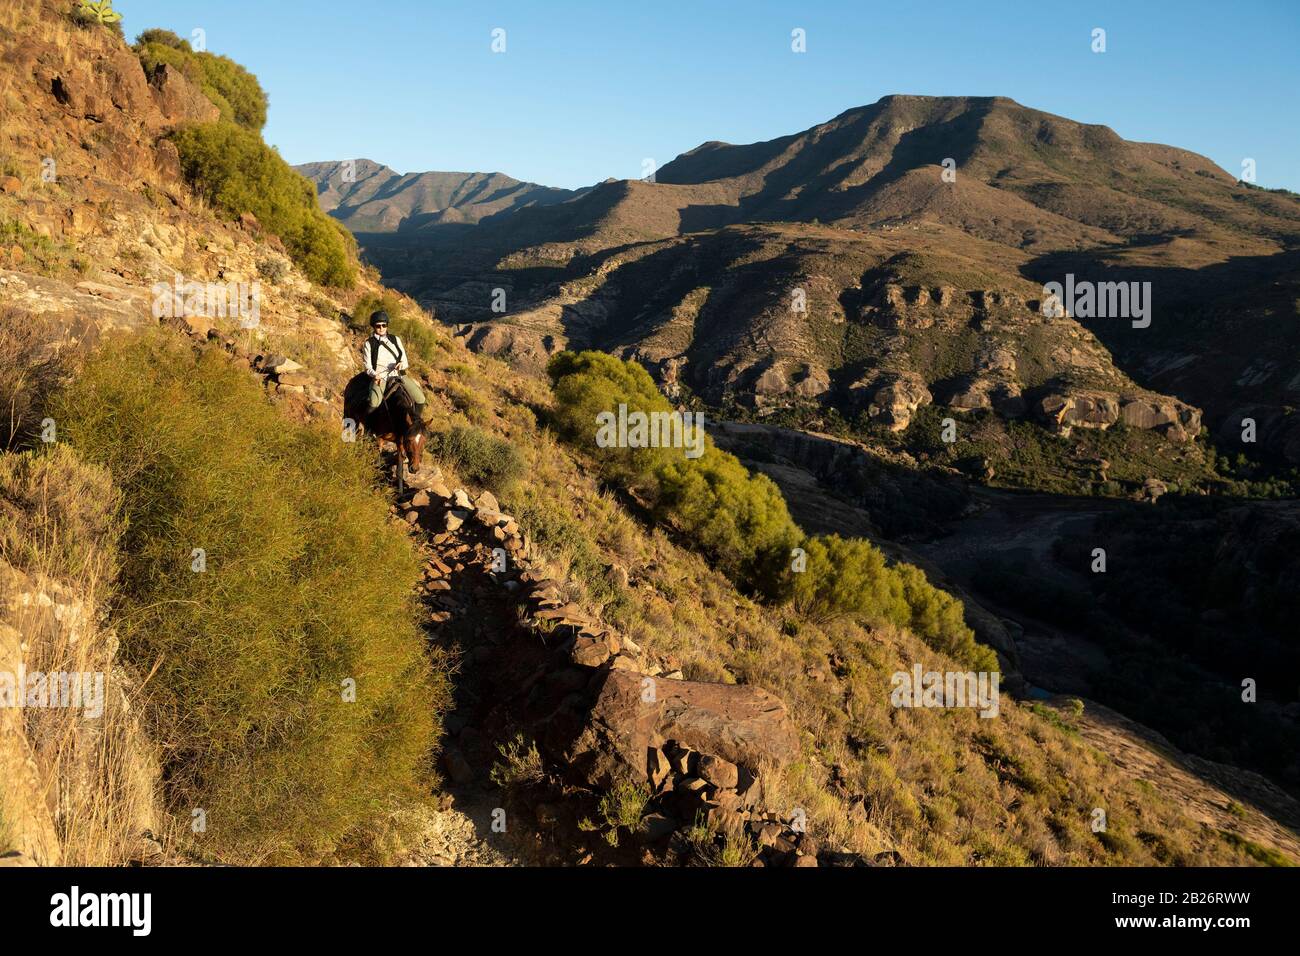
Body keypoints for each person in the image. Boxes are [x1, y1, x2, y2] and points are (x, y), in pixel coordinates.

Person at [362, 311, 426, 415]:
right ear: (373, 326)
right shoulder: (369, 343)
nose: (381, 328)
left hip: (398, 375)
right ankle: (365, 425)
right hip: (380, 377)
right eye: (378, 326)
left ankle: (415, 424)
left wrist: (401, 365)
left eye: (384, 325)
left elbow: (405, 360)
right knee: (374, 402)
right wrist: (375, 375)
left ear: (387, 325)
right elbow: (367, 366)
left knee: (420, 399)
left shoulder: (396, 339)